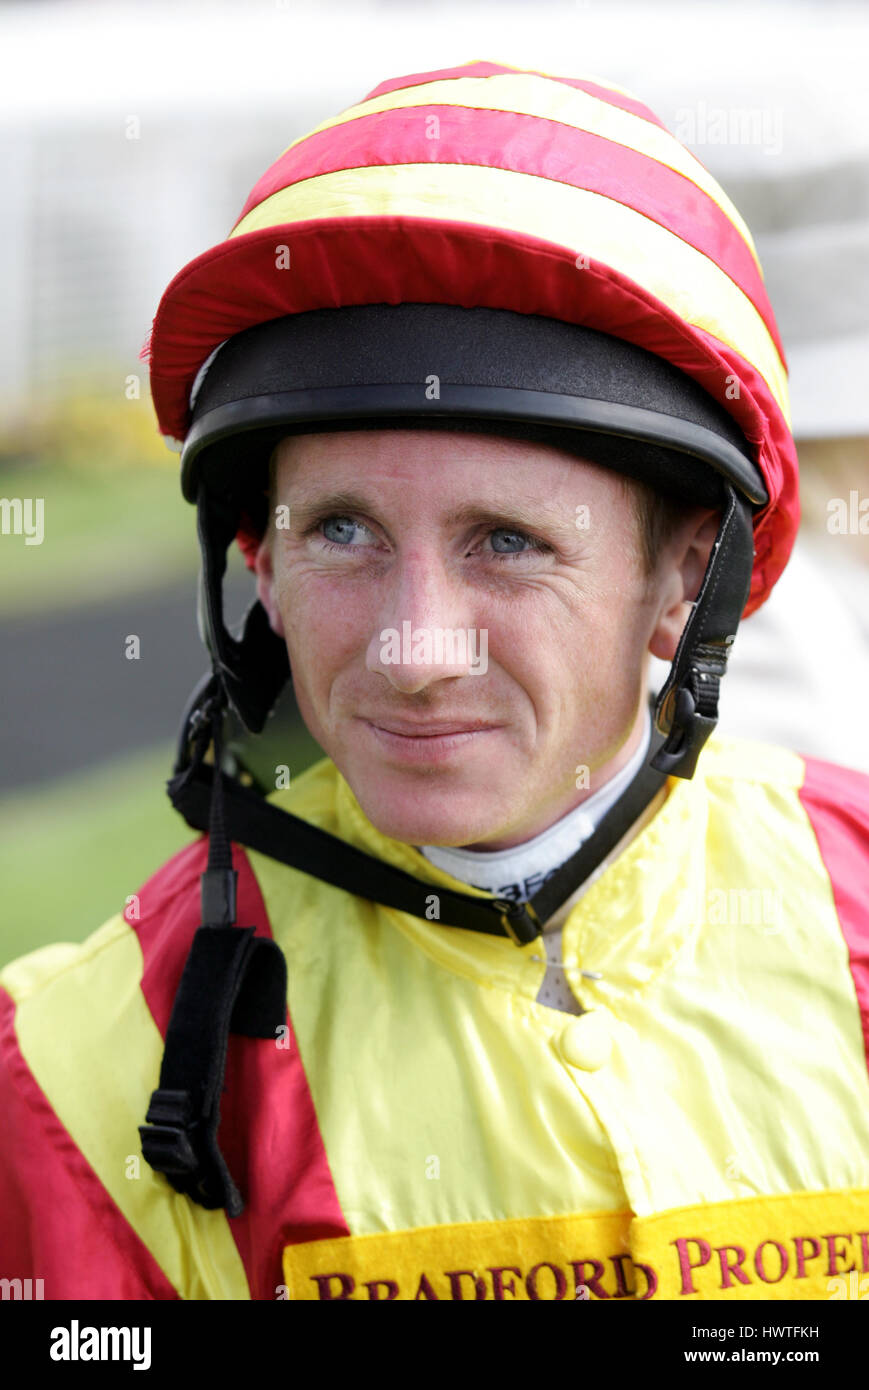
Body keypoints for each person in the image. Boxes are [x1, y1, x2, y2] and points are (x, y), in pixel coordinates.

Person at [2, 59, 867, 1304]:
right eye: (341, 532)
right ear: (261, 562)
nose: (412, 654)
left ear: (683, 577)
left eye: (507, 544)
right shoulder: (83, 1067)